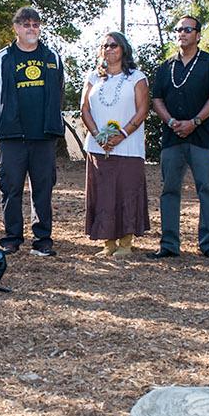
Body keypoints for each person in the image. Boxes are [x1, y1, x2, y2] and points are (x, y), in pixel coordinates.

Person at [0, 7, 65, 257]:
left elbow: (59, 90)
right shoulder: (1, 59)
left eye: (36, 25)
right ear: (16, 28)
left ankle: (43, 239)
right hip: (12, 137)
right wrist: (2, 119)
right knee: (10, 187)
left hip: (43, 135)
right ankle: (11, 238)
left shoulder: (52, 57)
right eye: (26, 24)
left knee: (43, 188)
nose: (32, 29)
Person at [148, 15, 209, 260]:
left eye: (187, 29)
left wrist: (195, 122)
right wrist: (172, 122)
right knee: (169, 190)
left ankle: (208, 243)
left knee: (206, 190)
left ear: (198, 34)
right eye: (178, 30)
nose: (182, 33)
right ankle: (169, 244)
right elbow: (156, 99)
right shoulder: (166, 67)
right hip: (172, 139)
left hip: (201, 137)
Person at [79, 31, 150, 257]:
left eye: (113, 45)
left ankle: (126, 243)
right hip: (98, 146)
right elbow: (84, 109)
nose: (108, 49)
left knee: (126, 192)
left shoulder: (136, 77)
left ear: (123, 49)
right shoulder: (93, 77)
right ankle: (108, 243)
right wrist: (98, 135)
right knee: (104, 193)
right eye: (104, 46)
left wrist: (121, 134)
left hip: (128, 147)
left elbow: (142, 111)